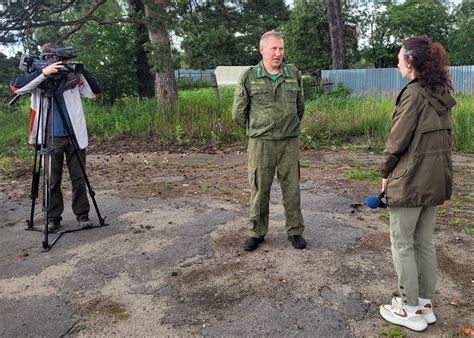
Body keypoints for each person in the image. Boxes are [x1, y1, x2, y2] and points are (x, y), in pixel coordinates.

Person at [378, 36, 456, 332]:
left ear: (410, 61)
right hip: (435, 180)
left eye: (400, 57)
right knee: (423, 242)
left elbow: (396, 143)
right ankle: (425, 305)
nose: (398, 61)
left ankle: (409, 308)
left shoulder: (412, 95)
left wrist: (385, 174)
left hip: (411, 181)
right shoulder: (439, 92)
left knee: (403, 244)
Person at [10, 43, 101, 233]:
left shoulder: (71, 77)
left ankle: (82, 215)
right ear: (45, 58)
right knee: (52, 180)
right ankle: (52, 218)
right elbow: (16, 86)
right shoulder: (38, 78)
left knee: (79, 178)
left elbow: (94, 93)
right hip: (50, 136)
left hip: (74, 135)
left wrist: (80, 71)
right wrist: (44, 73)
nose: (57, 62)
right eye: (52, 58)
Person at [232, 30, 306, 251]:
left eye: (281, 48)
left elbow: (300, 108)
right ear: (262, 49)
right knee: (259, 188)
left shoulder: (293, 74)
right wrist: (257, 130)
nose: (278, 53)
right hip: (260, 143)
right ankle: (257, 232)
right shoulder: (249, 77)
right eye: (273, 48)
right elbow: (238, 113)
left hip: (288, 143)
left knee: (292, 188)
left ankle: (295, 231)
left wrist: (287, 126)